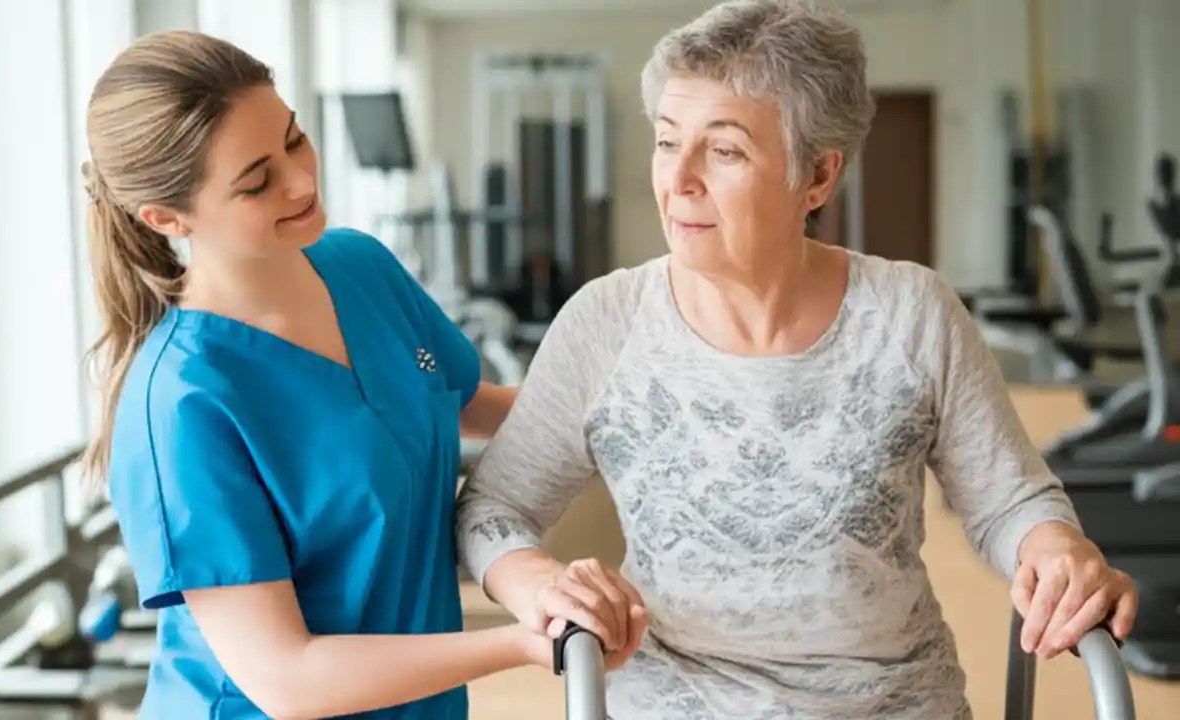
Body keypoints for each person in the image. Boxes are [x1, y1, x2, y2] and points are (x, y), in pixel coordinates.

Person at [454, 1, 1138, 718]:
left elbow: (1009, 501)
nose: (678, 180)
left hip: (894, 704)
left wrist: (1056, 549)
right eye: (665, 142)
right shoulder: (606, 322)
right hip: (675, 702)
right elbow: (493, 508)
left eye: (723, 151)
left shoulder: (911, 314)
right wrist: (537, 581)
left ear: (817, 178)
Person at [79, 31, 620, 720]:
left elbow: (471, 404)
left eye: (295, 140)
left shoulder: (359, 266)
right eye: (256, 181)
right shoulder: (182, 402)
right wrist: (519, 641)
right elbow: (286, 678)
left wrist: (644, 422)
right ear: (166, 217)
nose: (301, 182)